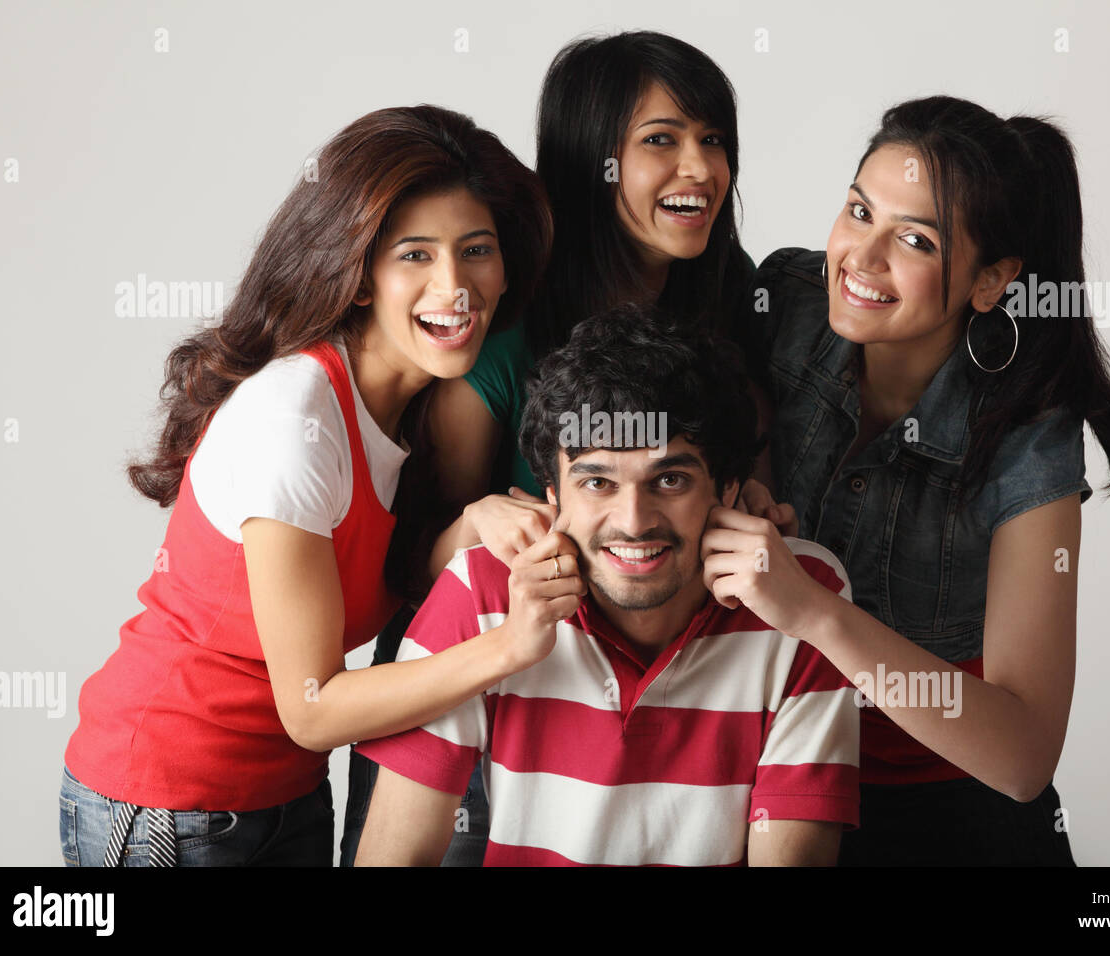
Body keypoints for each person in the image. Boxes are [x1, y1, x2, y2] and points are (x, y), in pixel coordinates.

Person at [59, 105, 552, 866]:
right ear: (357, 277)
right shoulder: (295, 414)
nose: (455, 286)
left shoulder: (410, 408)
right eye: (415, 256)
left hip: (286, 794)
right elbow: (314, 709)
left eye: (475, 250)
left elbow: (377, 571)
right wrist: (507, 649)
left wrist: (472, 525)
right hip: (166, 801)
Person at [339, 30, 768, 866]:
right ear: (591, 159)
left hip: (657, 708)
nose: (700, 168)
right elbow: (409, 574)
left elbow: (752, 502)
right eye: (661, 141)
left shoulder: (732, 315)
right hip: (478, 698)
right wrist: (476, 524)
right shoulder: (504, 340)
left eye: (714, 140)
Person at [732, 95, 1110, 864]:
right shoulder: (782, 305)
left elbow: (1024, 757)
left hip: (945, 808)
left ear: (991, 281)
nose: (861, 258)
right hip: (771, 783)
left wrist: (815, 611)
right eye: (859, 211)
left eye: (916, 240)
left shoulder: (1028, 436)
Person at [353, 308, 859, 866]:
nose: (634, 520)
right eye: (597, 482)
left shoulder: (802, 597)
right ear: (552, 496)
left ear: (730, 490)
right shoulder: (482, 590)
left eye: (670, 480)